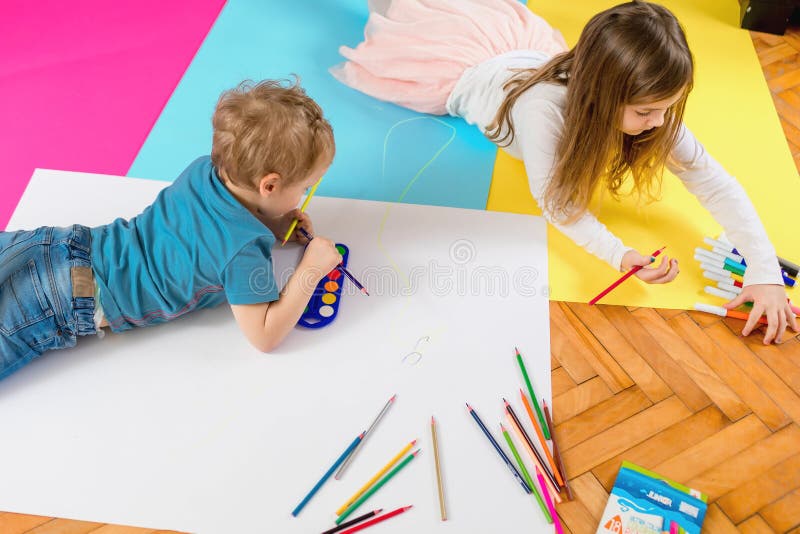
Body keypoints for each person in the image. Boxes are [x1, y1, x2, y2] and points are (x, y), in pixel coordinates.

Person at [331, 0, 797, 344]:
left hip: (521, 52)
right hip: (474, 74)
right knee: (397, 16)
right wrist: (618, 254)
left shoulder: (641, 104)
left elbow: (713, 181)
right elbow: (557, 203)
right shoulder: (543, 114)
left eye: (667, 108)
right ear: (601, 92)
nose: (659, 122)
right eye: (647, 111)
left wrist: (764, 270)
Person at [0, 79, 342, 381]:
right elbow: (264, 336)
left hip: (61, 245)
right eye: (305, 187)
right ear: (269, 185)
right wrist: (311, 268)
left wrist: (276, 221)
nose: (305, 196)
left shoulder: (204, 170)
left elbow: (208, 226)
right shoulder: (243, 252)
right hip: (64, 298)